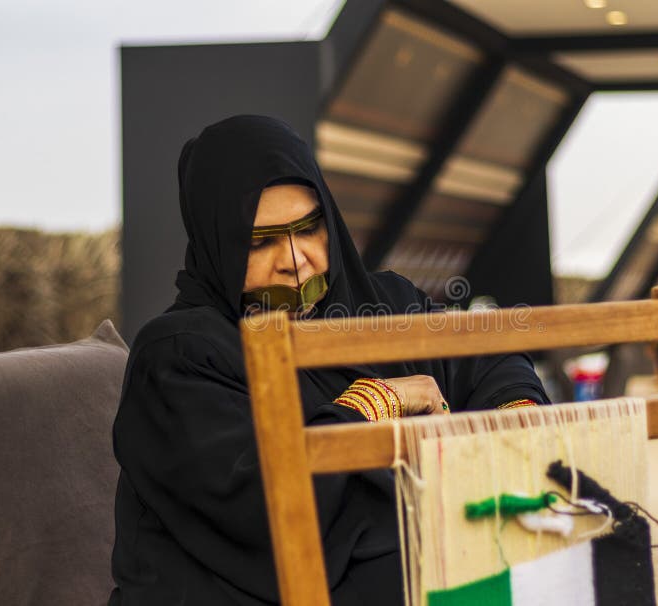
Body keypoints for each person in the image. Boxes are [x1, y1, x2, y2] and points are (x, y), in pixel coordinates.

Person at [109, 115, 550, 605]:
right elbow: (267, 510)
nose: (295, 260)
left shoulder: (384, 304)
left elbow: (488, 358)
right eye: (260, 240)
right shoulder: (177, 356)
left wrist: (514, 422)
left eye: (308, 227)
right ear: (217, 243)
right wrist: (376, 402)